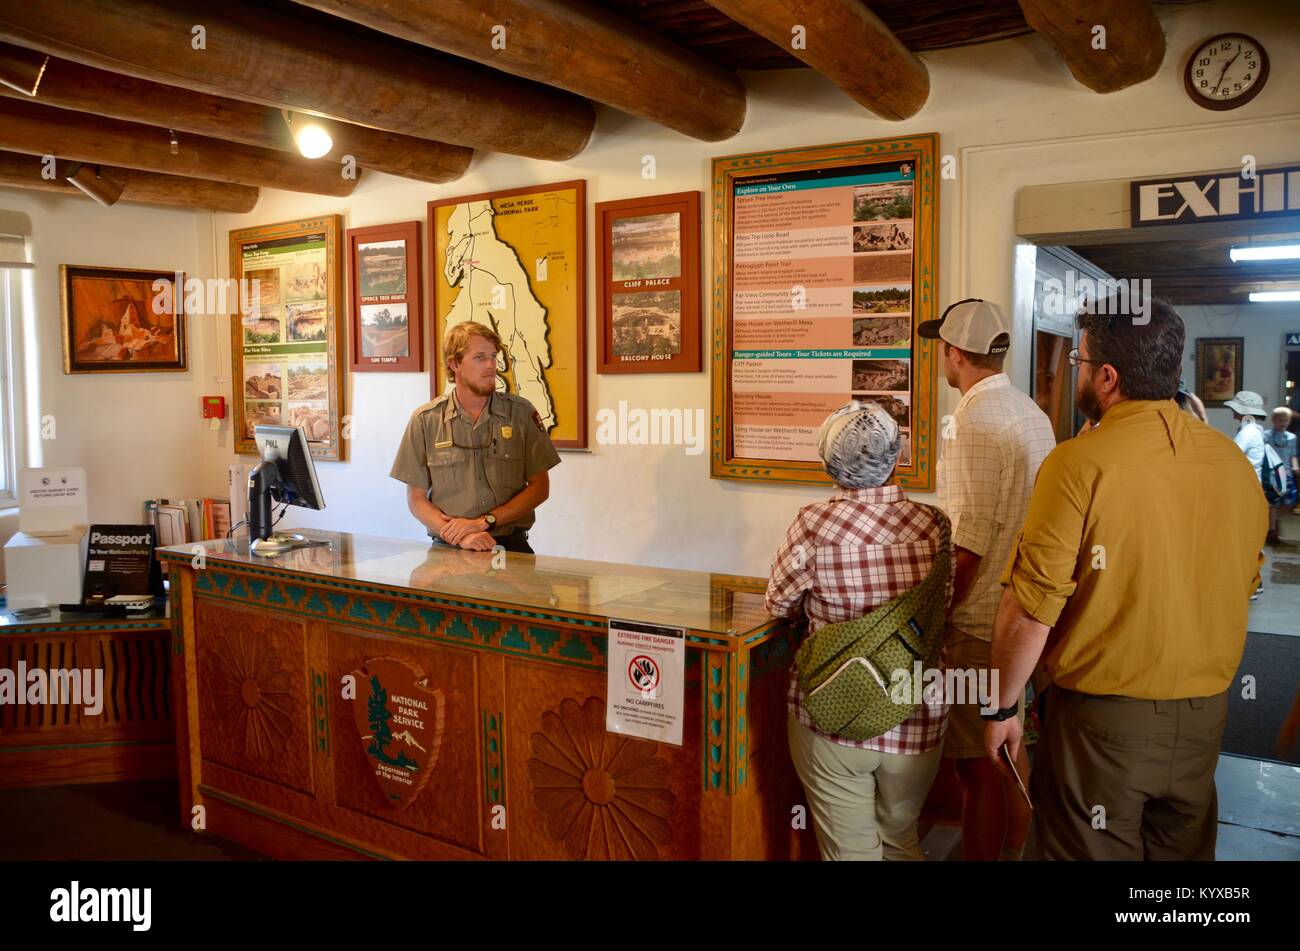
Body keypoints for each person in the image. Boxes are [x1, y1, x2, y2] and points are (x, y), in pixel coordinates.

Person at [983, 299, 1267, 860]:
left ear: (1107, 377)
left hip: (1101, 726)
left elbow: (1031, 608)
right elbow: (1245, 578)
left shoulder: (1078, 463)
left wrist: (999, 706)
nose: (1077, 372)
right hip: (1205, 716)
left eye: (1079, 362)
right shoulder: (1230, 462)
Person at [766, 401, 952, 861]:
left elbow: (778, 601)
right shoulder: (935, 524)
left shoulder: (814, 524)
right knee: (901, 840)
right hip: (916, 711)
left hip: (834, 715)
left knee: (850, 853)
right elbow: (944, 603)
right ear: (897, 455)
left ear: (829, 463)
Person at [920, 299, 1055, 861]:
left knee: (976, 765)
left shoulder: (972, 421)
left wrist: (937, 614)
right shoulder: (1030, 411)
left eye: (941, 351)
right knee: (1010, 751)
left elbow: (968, 541)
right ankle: (1018, 849)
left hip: (979, 624)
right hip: (1024, 615)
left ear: (954, 353)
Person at [389, 322, 559, 553]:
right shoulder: (426, 420)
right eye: (480, 357)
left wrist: (485, 521)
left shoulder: (520, 413)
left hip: (510, 547)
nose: (491, 365)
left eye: (492, 356)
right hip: (449, 548)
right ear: (455, 363)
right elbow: (416, 499)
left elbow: (540, 488)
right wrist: (459, 536)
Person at [1263, 407, 1299, 543]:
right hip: (1272, 473)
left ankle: (1275, 518)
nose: (1283, 423)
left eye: (1286, 420)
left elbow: (1293, 454)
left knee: (1290, 500)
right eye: (1280, 420)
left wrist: (1295, 465)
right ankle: (1272, 530)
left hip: (1287, 472)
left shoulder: (1291, 437)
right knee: (1273, 502)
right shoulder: (1267, 435)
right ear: (1273, 420)